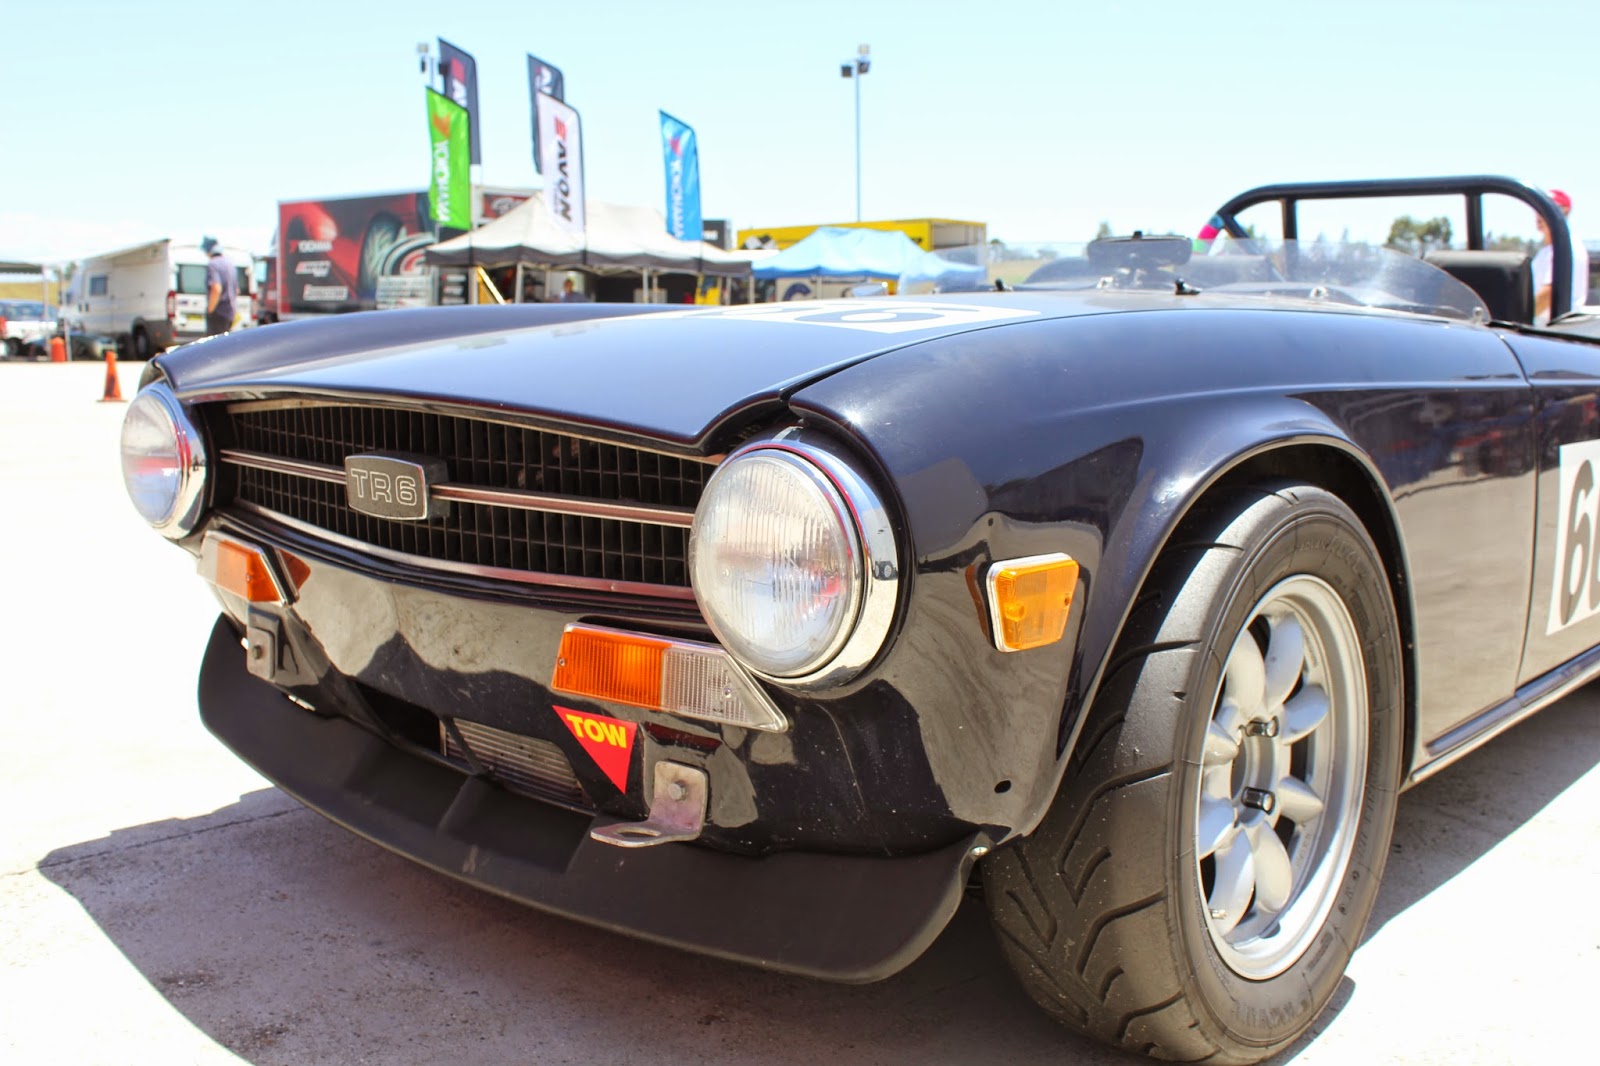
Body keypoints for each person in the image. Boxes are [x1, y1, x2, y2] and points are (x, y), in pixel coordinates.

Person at [1532, 189, 1590, 325]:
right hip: (1543, 325)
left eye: (1548, 208)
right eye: (1539, 208)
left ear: (1565, 212)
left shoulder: (1568, 246)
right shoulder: (1546, 250)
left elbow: (1549, 293)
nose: (1541, 214)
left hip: (1558, 327)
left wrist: (1516, 317)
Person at [202, 236, 237, 336]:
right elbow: (236, 290)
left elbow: (216, 289)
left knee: (213, 347)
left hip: (218, 313)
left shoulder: (213, 265)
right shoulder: (230, 264)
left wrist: (210, 310)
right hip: (230, 313)